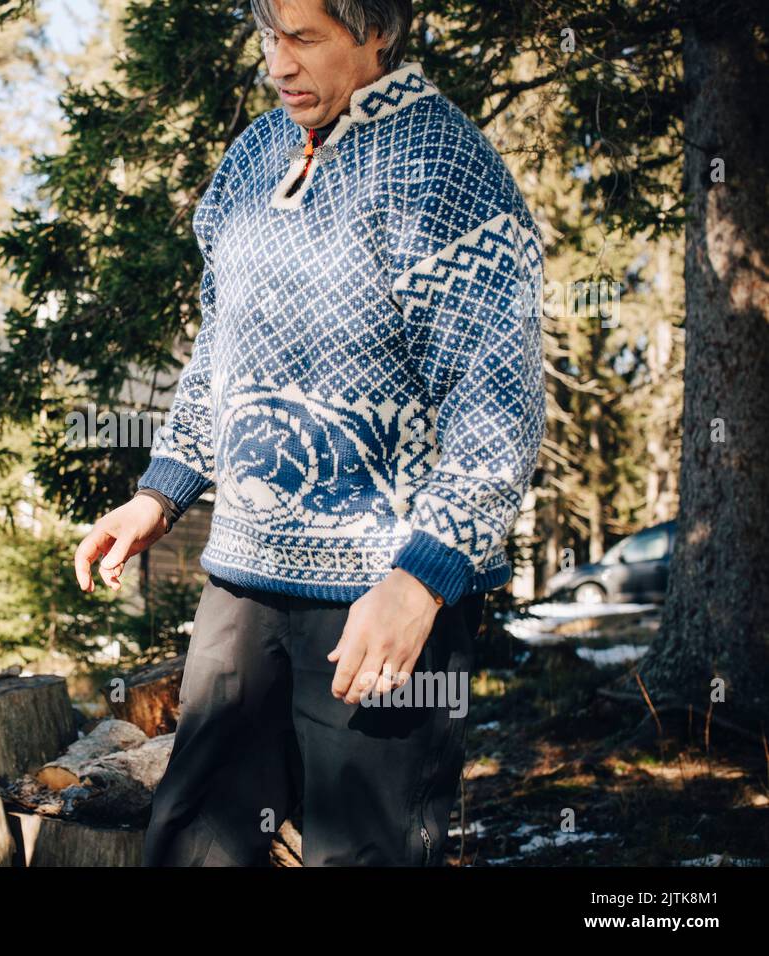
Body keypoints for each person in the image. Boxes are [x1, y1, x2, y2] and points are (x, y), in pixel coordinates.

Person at [74, 0, 545, 866]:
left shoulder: (446, 166)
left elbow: (499, 399)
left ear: (377, 31)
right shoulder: (254, 154)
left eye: (304, 38)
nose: (277, 64)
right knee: (194, 838)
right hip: (246, 576)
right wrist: (163, 488)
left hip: (386, 589)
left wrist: (422, 579)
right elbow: (220, 344)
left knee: (363, 850)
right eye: (268, 36)